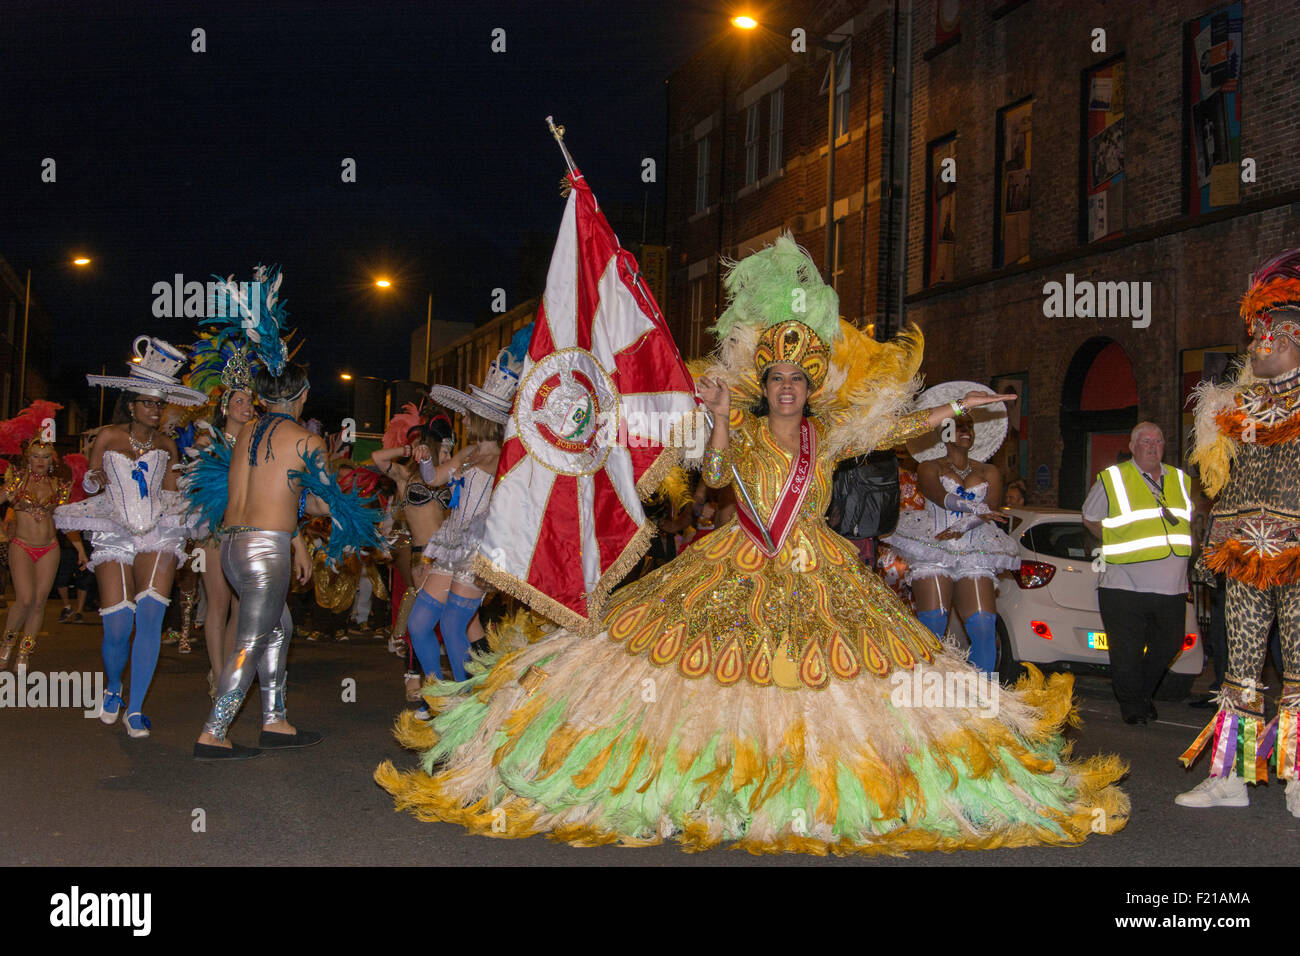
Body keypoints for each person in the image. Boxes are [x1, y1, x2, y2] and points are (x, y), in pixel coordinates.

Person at [377, 235, 1128, 853]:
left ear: (809, 389)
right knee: (694, 676)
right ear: (762, 385)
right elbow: (707, 473)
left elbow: (897, 430)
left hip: (818, 570)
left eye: (799, 380)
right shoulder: (739, 430)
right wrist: (717, 419)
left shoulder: (825, 438)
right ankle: (705, 779)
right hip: (733, 563)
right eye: (776, 379)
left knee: (836, 680)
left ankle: (828, 785)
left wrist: (960, 403)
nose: (788, 388)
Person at [1177, 249, 1300, 814]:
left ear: (1290, 335)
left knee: (1299, 668)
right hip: (1245, 552)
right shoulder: (1241, 404)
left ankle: (1298, 775)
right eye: (1252, 337)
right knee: (1241, 669)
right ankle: (1231, 776)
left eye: (1261, 337)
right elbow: (1213, 477)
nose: (1252, 347)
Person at [55, 336, 207, 737]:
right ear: (132, 404)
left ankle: (135, 708)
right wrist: (94, 478)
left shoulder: (167, 445)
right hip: (115, 532)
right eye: (148, 403)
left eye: (161, 404)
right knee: (119, 625)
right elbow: (89, 484)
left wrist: (196, 483)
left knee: (152, 615)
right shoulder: (108, 437)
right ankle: (113, 686)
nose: (156, 411)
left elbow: (173, 493)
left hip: (157, 531)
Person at [193, 361, 323, 759]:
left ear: (265, 398)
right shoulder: (308, 441)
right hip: (267, 549)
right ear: (302, 395)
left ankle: (274, 720)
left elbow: (262, 493)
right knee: (249, 643)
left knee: (278, 629)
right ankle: (213, 732)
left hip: (231, 545)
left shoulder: (247, 431)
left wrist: (295, 533)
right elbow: (320, 502)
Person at [402, 326, 530, 696]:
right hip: (452, 540)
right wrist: (425, 461)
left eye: (471, 415)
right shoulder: (469, 453)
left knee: (456, 625)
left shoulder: (506, 460)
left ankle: (464, 700)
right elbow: (435, 479)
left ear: (483, 419)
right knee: (420, 624)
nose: (466, 420)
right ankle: (435, 692)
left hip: (481, 548)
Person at [881, 383, 1019, 673]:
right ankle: (926, 696)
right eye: (958, 425)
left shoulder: (989, 471)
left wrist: (967, 523)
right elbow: (938, 495)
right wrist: (976, 508)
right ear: (943, 432)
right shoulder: (929, 467)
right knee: (934, 622)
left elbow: (991, 509)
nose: (965, 430)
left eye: (969, 425)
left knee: (983, 624)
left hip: (975, 549)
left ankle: (983, 702)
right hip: (934, 545)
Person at [1081, 422, 1194, 725]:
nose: (1153, 446)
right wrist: (1118, 543)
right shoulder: (1114, 478)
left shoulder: (1180, 479)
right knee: (1127, 650)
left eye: (1158, 440)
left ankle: (1140, 694)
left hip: (1172, 585)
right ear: (1132, 447)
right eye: (1145, 441)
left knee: (1171, 643)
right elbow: (1091, 518)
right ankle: (1133, 705)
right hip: (1124, 584)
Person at [183, 328, 260, 695]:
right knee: (218, 602)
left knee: (241, 605)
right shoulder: (208, 441)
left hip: (246, 532)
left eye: (251, 401)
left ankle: (230, 668)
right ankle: (217, 674)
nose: (248, 407)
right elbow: (195, 487)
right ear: (226, 406)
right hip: (215, 531)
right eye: (241, 401)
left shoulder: (256, 446)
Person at [0, 430, 80, 670]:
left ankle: (24, 654)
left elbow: (66, 523)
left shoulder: (59, 485)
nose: (40, 461)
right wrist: (7, 492)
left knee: (38, 603)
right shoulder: (17, 480)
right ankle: (6, 646)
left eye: (45, 457)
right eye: (35, 456)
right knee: (24, 599)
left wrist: (80, 550)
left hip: (49, 548)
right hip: (22, 546)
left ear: (51, 460)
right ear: (28, 458)